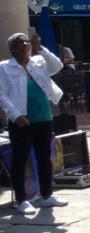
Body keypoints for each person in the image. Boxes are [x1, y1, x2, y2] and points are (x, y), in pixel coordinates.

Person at [0, 33, 67, 214]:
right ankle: (22, 200)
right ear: (12, 48)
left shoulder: (39, 61)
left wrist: (41, 49)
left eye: (26, 41)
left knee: (44, 158)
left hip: (43, 116)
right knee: (20, 160)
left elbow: (58, 66)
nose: (25, 44)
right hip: (22, 119)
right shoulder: (5, 67)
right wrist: (15, 115)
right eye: (20, 42)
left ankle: (46, 195)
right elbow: (2, 95)